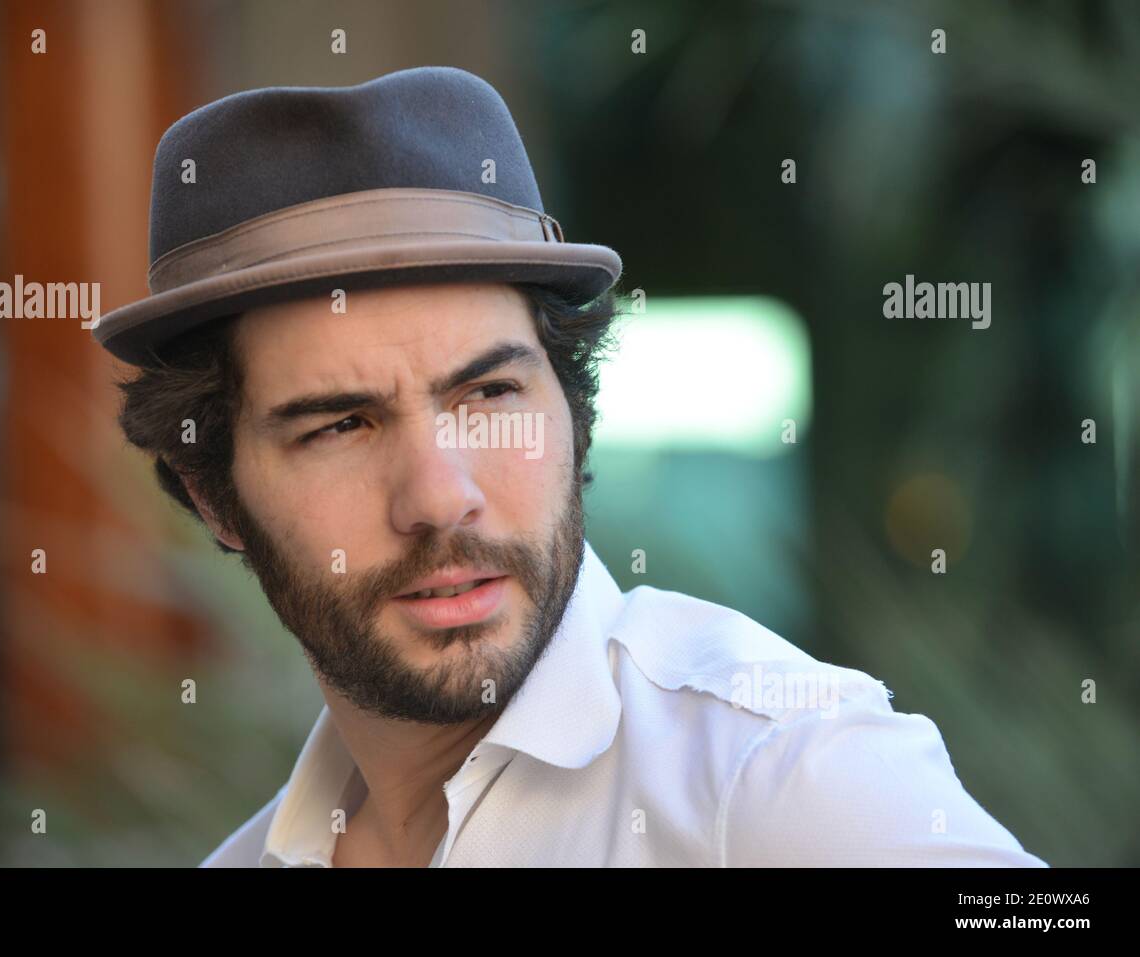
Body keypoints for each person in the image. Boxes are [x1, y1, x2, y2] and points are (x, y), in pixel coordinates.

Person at [92, 66, 1046, 868]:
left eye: (490, 397)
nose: (441, 496)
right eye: (341, 424)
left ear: (572, 412)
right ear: (214, 494)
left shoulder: (778, 776)